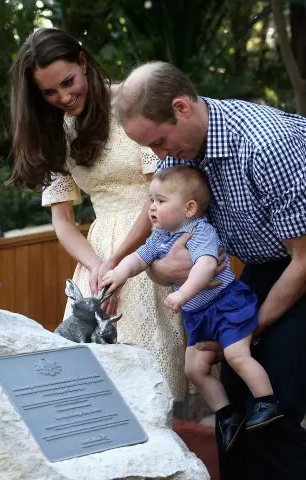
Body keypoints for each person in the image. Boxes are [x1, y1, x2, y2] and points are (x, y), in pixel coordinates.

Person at [114, 61, 306, 479]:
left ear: (182, 107)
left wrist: (247, 329)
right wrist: (162, 269)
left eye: (161, 142)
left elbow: (302, 260)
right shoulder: (179, 156)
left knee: (274, 401)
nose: (161, 159)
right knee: (233, 407)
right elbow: (163, 260)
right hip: (258, 266)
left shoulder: (264, 144)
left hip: (299, 262)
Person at [8, 29, 187, 402]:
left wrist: (120, 261)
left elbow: (160, 195)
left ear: (83, 63)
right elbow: (62, 222)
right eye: (49, 93)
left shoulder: (132, 102)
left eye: (68, 82)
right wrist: (96, 267)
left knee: (153, 380)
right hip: (98, 257)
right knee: (95, 386)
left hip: (153, 242)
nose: (63, 97)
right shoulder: (55, 129)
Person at [101, 165, 284, 451]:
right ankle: (226, 414)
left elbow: (205, 266)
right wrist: (119, 272)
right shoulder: (159, 237)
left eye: (161, 201)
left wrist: (182, 294)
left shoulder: (200, 231)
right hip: (200, 314)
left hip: (224, 305)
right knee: (194, 369)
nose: (152, 207)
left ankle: (267, 401)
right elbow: (138, 258)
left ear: (188, 208)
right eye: (151, 200)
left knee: (237, 355)